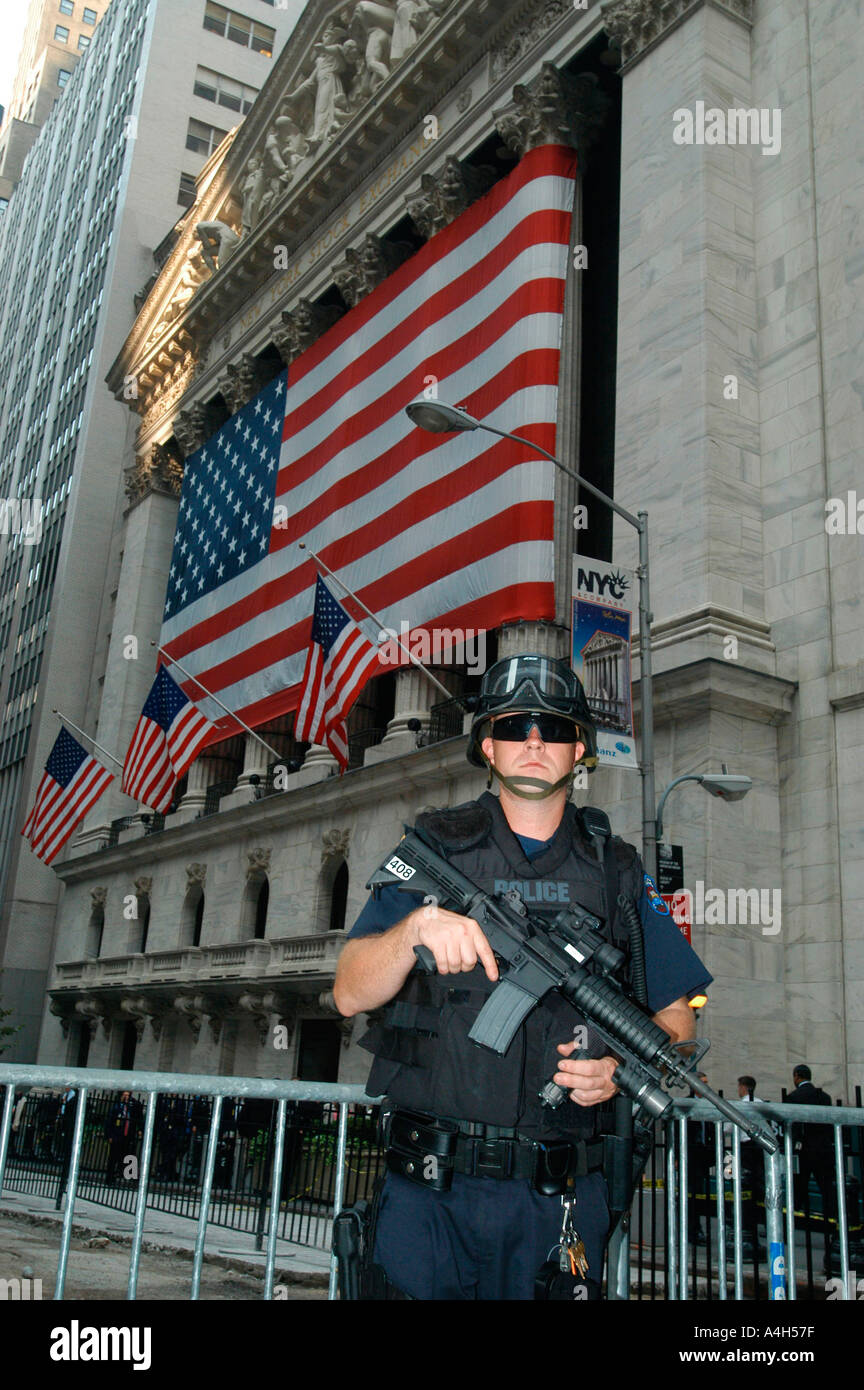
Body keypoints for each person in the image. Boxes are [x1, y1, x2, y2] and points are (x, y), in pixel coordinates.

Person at [334, 652, 713, 1300]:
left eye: (554, 729)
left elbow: (680, 1018)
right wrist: (414, 931)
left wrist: (621, 1071)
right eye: (514, 727)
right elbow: (348, 991)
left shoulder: (617, 872)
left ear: (579, 752)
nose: (534, 742)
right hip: (430, 1198)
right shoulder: (436, 847)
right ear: (487, 744)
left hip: (556, 1204)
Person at [785, 1064, 836, 1226]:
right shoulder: (824, 1097)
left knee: (798, 1187)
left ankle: (795, 1222)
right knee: (827, 1187)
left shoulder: (793, 1097)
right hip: (823, 1148)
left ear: (797, 1076)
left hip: (803, 1149)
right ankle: (834, 1221)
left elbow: (790, 1126)